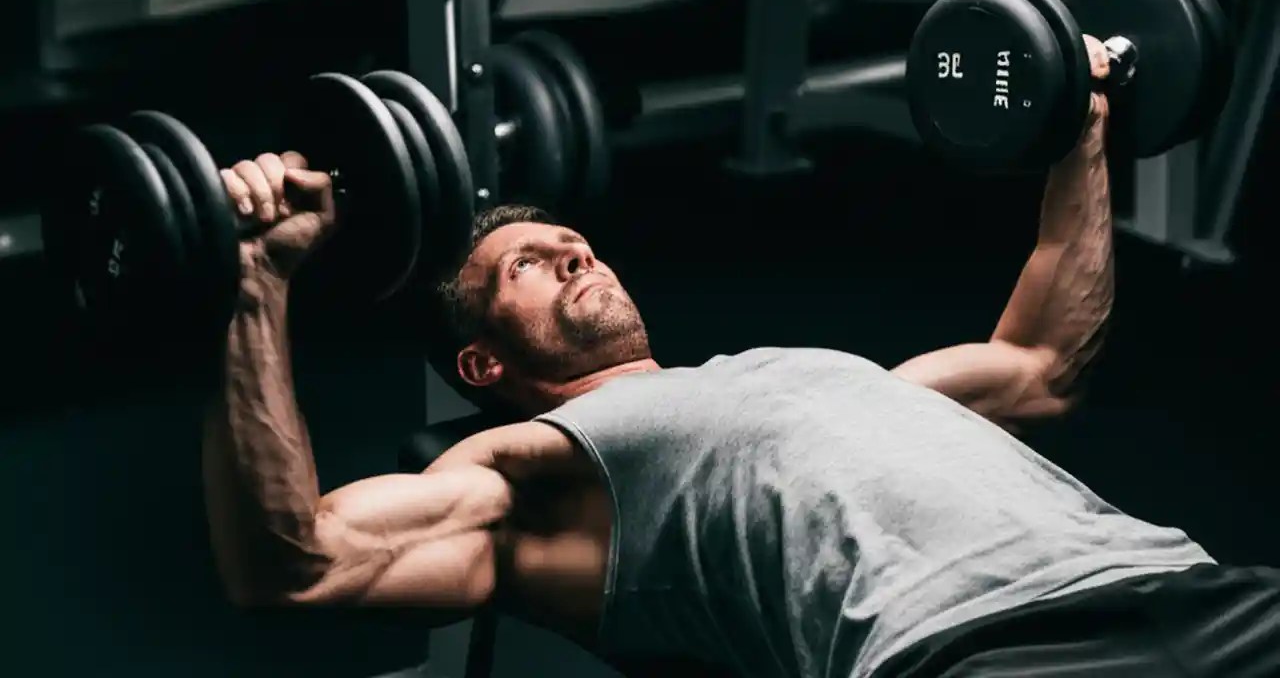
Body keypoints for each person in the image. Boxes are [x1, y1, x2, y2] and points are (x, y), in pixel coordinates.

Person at [202, 36, 1279, 678]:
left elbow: (1041, 359)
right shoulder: (529, 475)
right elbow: (292, 563)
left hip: (1195, 590)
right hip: (991, 655)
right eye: (525, 266)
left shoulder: (834, 380)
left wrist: (1077, 125)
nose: (571, 249)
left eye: (568, 240)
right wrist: (256, 279)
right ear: (479, 364)